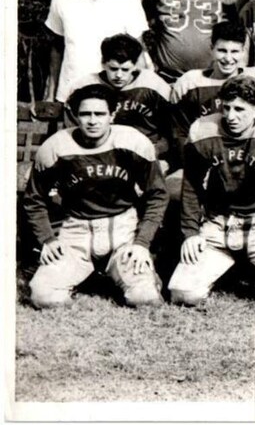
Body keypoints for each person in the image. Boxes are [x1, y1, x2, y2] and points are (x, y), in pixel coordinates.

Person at [23, 83, 167, 308]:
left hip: (122, 228)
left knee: (144, 298)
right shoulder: (56, 147)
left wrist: (141, 243)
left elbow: (157, 194)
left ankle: (134, 276)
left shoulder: (134, 142)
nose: (92, 120)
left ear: (112, 114)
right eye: (85, 114)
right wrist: (47, 240)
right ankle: (84, 274)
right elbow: (34, 198)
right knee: (45, 297)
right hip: (76, 231)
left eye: (99, 114)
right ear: (74, 116)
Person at [168, 76, 255, 306]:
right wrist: (191, 233)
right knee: (183, 294)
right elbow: (191, 185)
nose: (231, 116)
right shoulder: (203, 130)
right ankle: (228, 268)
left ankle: (247, 270)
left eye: (239, 109)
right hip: (218, 222)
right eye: (227, 107)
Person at [43, 0, 149, 104]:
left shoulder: (128, 1)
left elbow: (139, 54)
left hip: (113, 97)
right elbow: (57, 49)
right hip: (71, 92)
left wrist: (139, 96)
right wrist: (50, 95)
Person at [170, 21, 255, 157]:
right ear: (212, 49)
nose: (228, 58)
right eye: (222, 50)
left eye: (235, 51)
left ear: (243, 51)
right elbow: (180, 132)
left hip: (250, 158)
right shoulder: (189, 83)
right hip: (206, 155)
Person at [69, 33, 174, 171]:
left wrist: (154, 151)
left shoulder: (154, 86)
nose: (119, 75)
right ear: (103, 63)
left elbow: (172, 132)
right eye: (113, 69)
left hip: (146, 154)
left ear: (136, 65)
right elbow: (72, 133)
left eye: (125, 70)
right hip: (99, 156)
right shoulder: (85, 86)